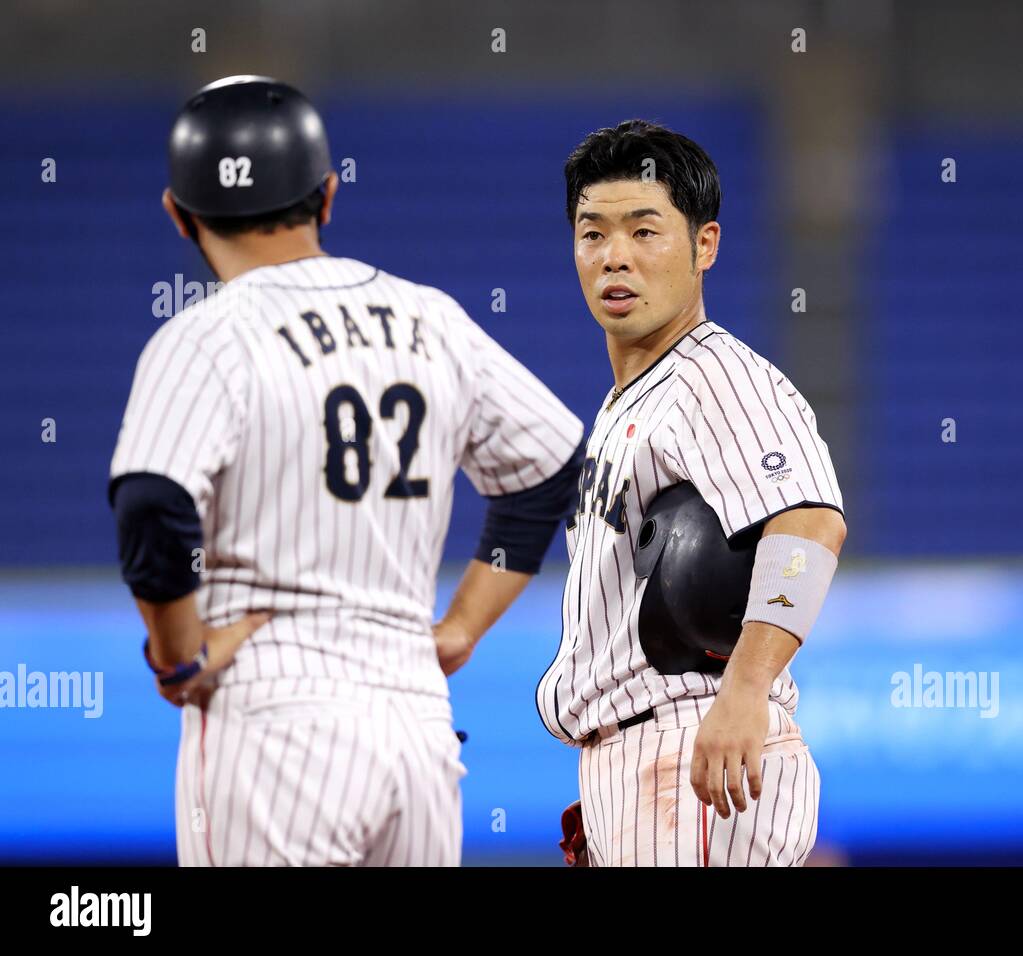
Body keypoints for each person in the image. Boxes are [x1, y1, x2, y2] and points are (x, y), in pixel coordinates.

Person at [108, 75, 582, 865]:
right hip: (416, 727)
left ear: (178, 215)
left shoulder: (204, 336)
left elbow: (153, 504)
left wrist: (179, 653)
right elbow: (552, 465)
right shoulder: (431, 318)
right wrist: (461, 624)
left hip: (273, 717)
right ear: (327, 196)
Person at [538, 120, 847, 865]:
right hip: (647, 757)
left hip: (696, 744)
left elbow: (809, 523)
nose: (615, 257)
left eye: (646, 231)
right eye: (593, 234)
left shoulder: (716, 378)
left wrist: (746, 688)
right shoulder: (626, 403)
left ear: (704, 245)